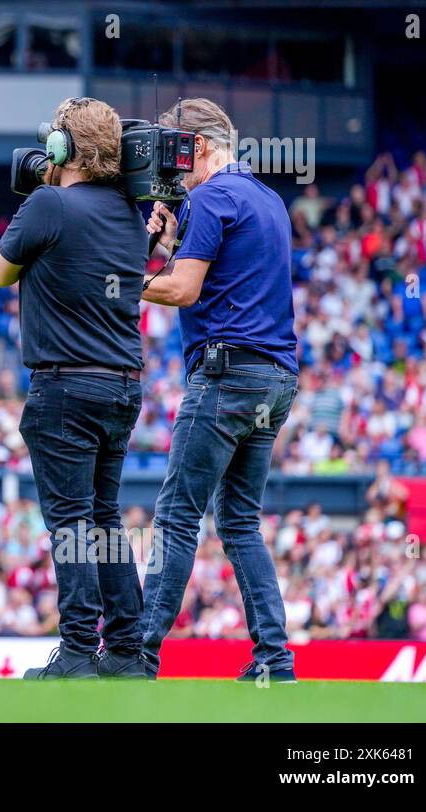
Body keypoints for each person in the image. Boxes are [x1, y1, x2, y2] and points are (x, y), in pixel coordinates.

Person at [139, 97, 300, 683]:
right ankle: (274, 660)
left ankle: (140, 651)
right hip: (275, 379)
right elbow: (216, 276)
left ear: (197, 146)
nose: (172, 167)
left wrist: (113, 276)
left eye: (176, 152)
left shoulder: (210, 195)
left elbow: (182, 290)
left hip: (227, 374)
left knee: (178, 513)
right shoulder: (266, 197)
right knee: (239, 523)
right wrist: (168, 245)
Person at [0, 96, 148, 679]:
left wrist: (40, 201)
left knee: (72, 522)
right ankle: (127, 650)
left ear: (61, 148)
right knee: (103, 517)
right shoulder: (131, 211)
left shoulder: (48, 204)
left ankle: (78, 650)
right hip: (122, 386)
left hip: (64, 386)